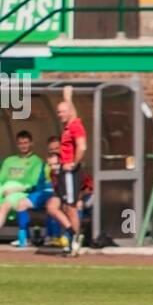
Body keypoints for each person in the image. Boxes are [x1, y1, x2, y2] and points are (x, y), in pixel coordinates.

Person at [0, 132, 54, 249]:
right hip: (2, 191)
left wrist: (17, 188)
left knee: (6, 205)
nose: (23, 146)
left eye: (26, 143)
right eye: (21, 143)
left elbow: (33, 184)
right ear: (17, 144)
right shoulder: (9, 160)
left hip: (22, 193)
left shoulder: (37, 161)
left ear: (31, 143)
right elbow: (0, 178)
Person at [52, 98, 89, 256]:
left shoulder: (75, 126)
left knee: (71, 208)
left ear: (69, 111)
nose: (59, 114)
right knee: (61, 207)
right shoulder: (68, 127)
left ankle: (75, 240)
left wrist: (73, 163)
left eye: (62, 111)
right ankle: (72, 236)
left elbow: (82, 146)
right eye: (58, 112)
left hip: (70, 172)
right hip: (64, 171)